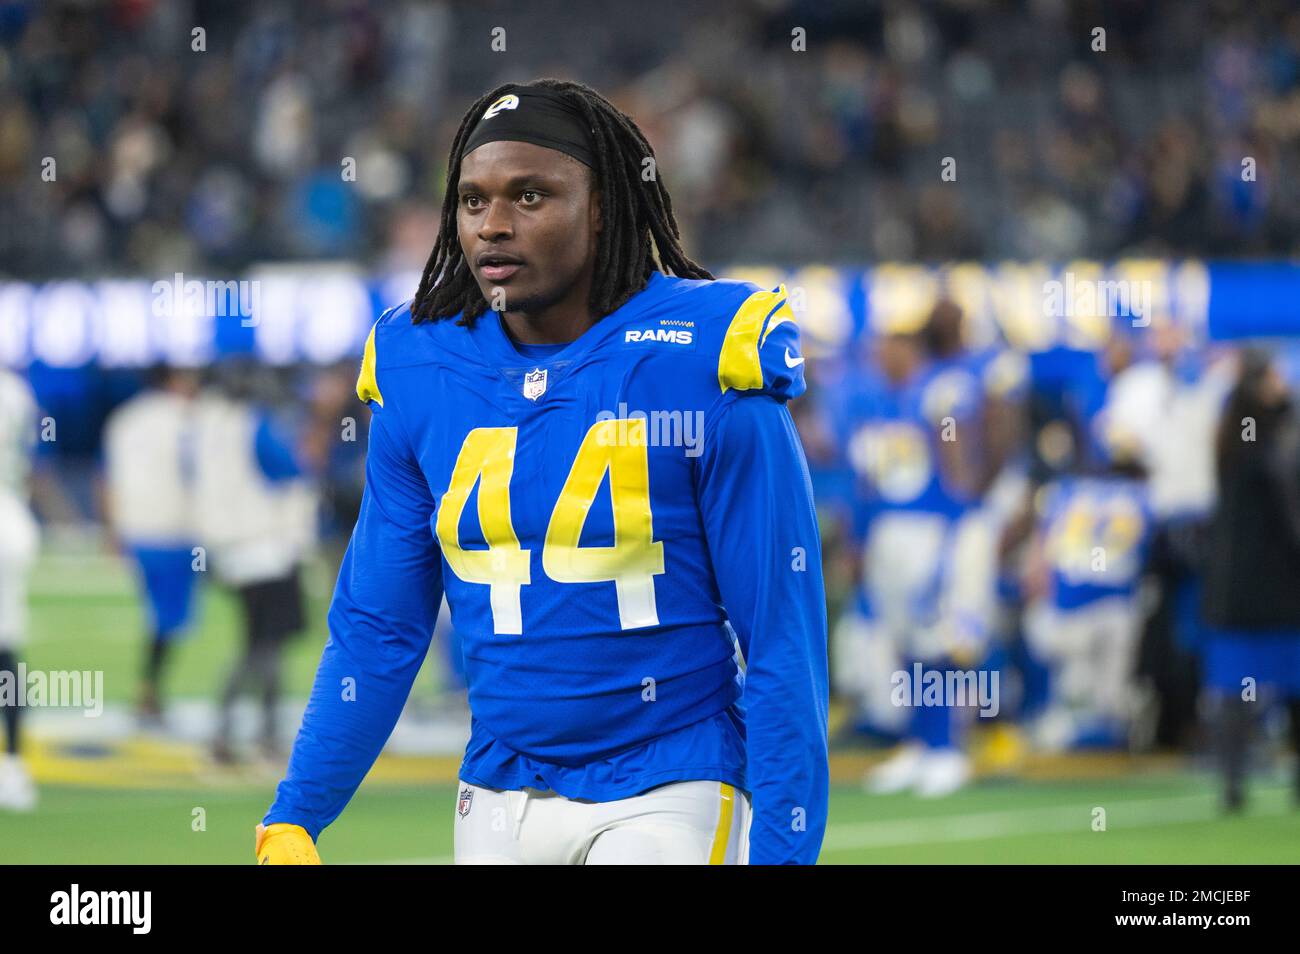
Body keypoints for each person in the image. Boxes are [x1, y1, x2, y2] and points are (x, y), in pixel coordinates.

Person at [256, 79, 829, 865]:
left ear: (604, 206)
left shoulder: (704, 355)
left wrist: (786, 853)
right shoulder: (420, 364)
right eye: (472, 199)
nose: (492, 225)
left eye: (531, 196)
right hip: (496, 793)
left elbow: (779, 636)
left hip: (671, 785)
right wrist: (296, 812)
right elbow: (380, 626)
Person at [192, 363, 317, 765]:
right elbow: (290, 473)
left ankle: (240, 732)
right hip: (265, 546)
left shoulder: (201, 425)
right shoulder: (252, 424)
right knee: (263, 645)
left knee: (258, 642)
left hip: (228, 549)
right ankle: (244, 733)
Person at [1200, 349, 1300, 812]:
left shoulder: (1231, 437)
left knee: (1233, 690)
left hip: (1233, 588)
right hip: (1277, 586)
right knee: (1284, 684)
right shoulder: (1267, 443)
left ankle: (1232, 784)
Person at [101, 367, 202, 725]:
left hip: (136, 528)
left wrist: (112, 530)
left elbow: (108, 478)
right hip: (175, 530)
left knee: (161, 615)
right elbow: (198, 475)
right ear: (175, 381)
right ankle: (149, 692)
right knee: (169, 619)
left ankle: (149, 691)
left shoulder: (124, 419)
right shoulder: (188, 419)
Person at [0, 368, 39, 811]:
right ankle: (13, 763)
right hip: (10, 518)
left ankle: (13, 765)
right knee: (5, 650)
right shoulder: (15, 388)